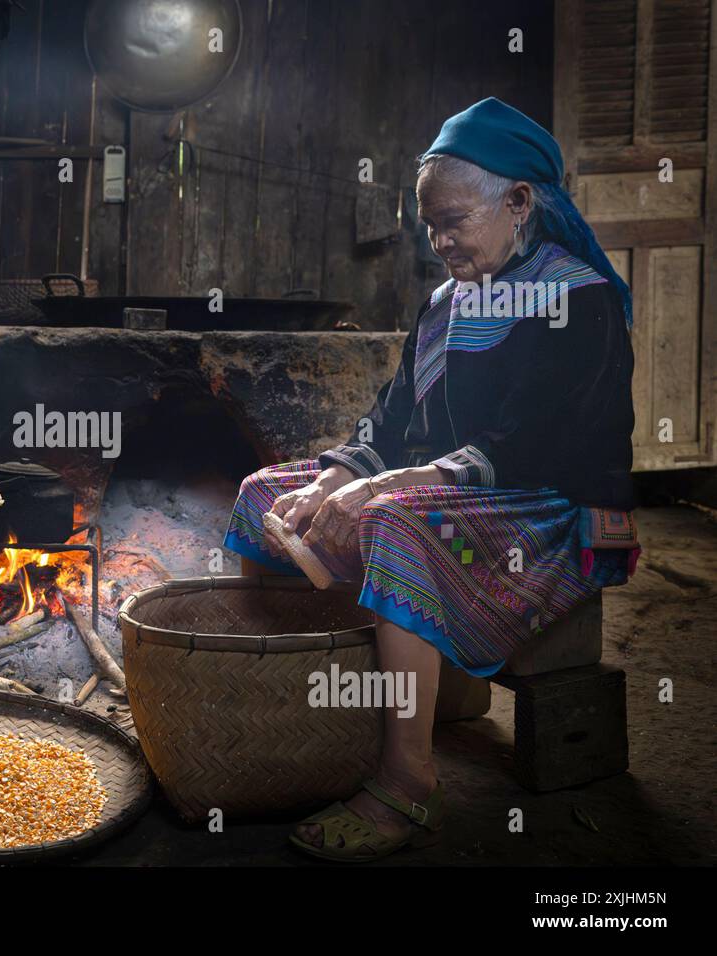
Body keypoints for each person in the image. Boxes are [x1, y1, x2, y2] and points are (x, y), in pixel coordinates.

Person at [223, 97, 640, 862]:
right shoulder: (448, 302)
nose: (439, 241)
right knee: (265, 495)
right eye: (430, 225)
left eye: (453, 221)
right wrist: (339, 477)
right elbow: (390, 421)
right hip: (450, 488)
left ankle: (408, 780)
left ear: (519, 202)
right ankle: (306, 715)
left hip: (544, 511)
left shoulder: (576, 300)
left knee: (396, 524)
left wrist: (382, 491)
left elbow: (525, 446)